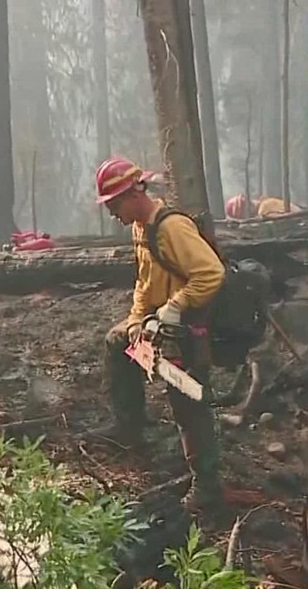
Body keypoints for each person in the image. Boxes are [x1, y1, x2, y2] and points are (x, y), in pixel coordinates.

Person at [92, 155, 226, 515]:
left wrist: (177, 306)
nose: (113, 214)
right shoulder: (141, 228)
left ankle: (207, 486)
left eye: (114, 204)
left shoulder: (172, 228)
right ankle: (130, 427)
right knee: (118, 343)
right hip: (158, 321)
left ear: (135, 193)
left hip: (188, 326)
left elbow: (211, 273)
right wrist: (137, 320)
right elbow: (145, 282)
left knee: (186, 397)